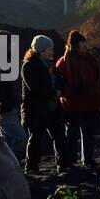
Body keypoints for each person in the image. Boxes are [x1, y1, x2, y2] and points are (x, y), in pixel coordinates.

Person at [56, 30, 100, 168]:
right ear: (75, 46)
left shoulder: (91, 60)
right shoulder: (64, 62)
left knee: (87, 132)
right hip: (73, 104)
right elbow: (60, 82)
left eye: (86, 45)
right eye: (83, 45)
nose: (86, 48)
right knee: (72, 133)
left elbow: (98, 80)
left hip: (90, 102)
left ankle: (87, 158)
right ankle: (72, 159)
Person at [20, 34, 68, 175]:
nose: (52, 51)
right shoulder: (28, 66)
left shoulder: (51, 65)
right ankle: (31, 167)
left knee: (59, 136)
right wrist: (54, 93)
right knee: (36, 138)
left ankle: (63, 165)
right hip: (36, 110)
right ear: (41, 50)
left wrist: (59, 91)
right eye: (50, 49)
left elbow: (61, 82)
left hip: (51, 108)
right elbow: (35, 88)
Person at [0, 30, 27, 162]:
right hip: (5, 107)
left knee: (7, 140)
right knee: (20, 138)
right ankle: (11, 164)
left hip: (4, 106)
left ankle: (7, 166)